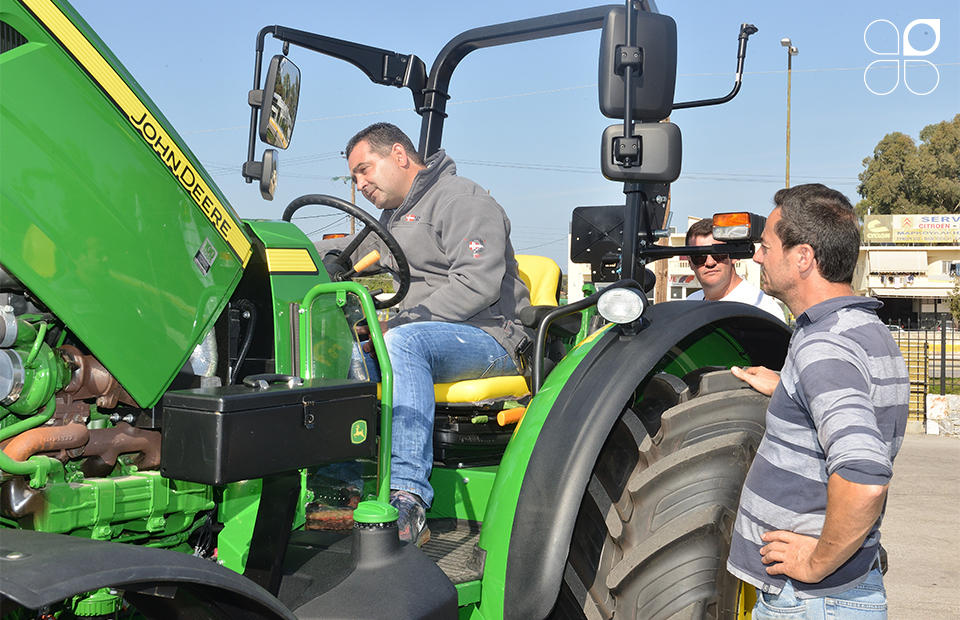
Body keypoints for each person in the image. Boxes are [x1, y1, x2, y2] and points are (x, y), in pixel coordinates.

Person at [316, 123, 532, 546]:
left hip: (492, 336)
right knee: (340, 346)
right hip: (430, 337)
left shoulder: (462, 199)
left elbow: (477, 284)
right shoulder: (392, 217)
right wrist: (302, 257)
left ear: (399, 155)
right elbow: (349, 255)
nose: (360, 184)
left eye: (364, 170)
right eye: (354, 177)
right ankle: (340, 484)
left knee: (399, 341)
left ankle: (408, 496)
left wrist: (399, 323)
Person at [726, 184, 909, 618]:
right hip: (830, 597)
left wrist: (814, 563)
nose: (757, 257)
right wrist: (790, 387)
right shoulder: (861, 327)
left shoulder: (823, 347)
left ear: (803, 257)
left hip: (811, 602)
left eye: (767, 247)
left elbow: (864, 478)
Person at [684, 217, 784, 320]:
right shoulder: (690, 304)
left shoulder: (761, 307)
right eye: (699, 257)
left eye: (718, 254)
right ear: (690, 262)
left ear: (734, 256)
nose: (710, 262)